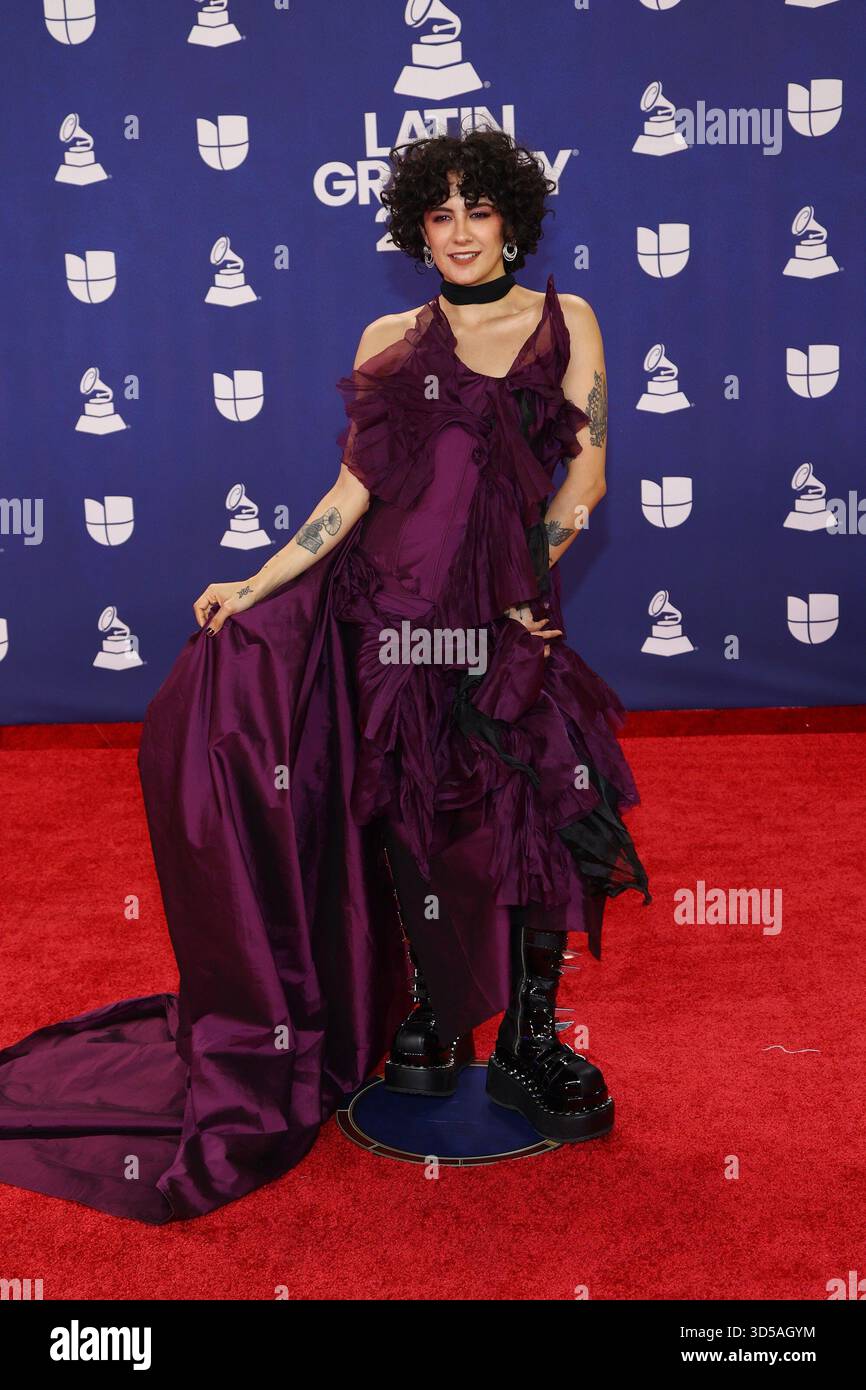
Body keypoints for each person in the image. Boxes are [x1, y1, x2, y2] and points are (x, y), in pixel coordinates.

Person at [0, 129, 650, 1225]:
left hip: (500, 614)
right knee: (408, 812)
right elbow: (350, 495)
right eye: (436, 213)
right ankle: (438, 1015)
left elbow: (585, 470)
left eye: (475, 210)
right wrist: (256, 580)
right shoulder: (391, 336)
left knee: (545, 802)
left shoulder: (563, 320)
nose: (456, 231)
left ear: (508, 219)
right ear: (414, 228)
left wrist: (529, 569)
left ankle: (532, 1036)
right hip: (389, 616)